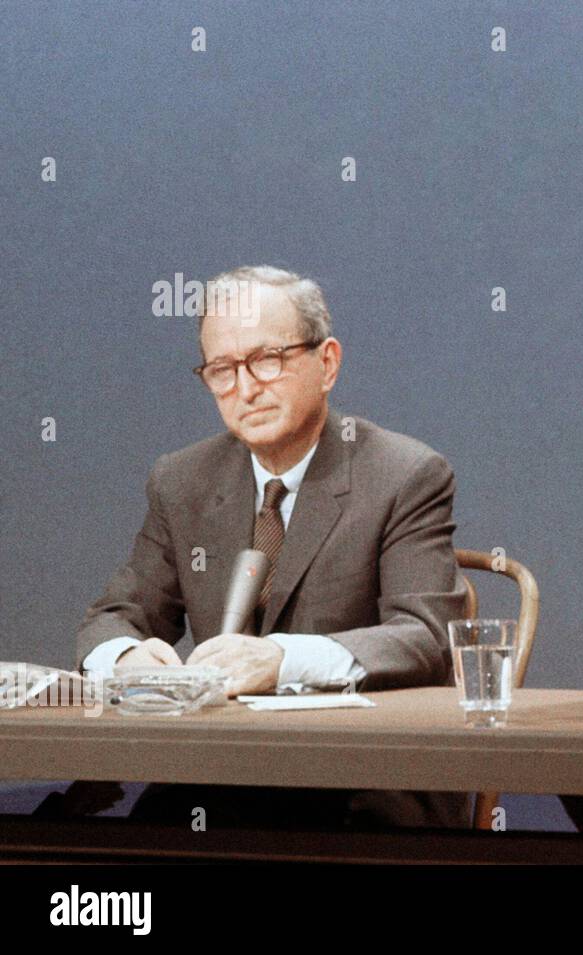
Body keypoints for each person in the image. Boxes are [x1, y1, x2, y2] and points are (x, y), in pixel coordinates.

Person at [72, 265, 471, 830]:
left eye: (268, 360)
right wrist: (127, 657)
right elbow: (112, 619)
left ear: (326, 363)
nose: (246, 387)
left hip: (362, 779)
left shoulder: (405, 474)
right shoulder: (182, 480)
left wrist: (281, 659)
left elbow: (426, 638)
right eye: (222, 370)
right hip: (222, 778)